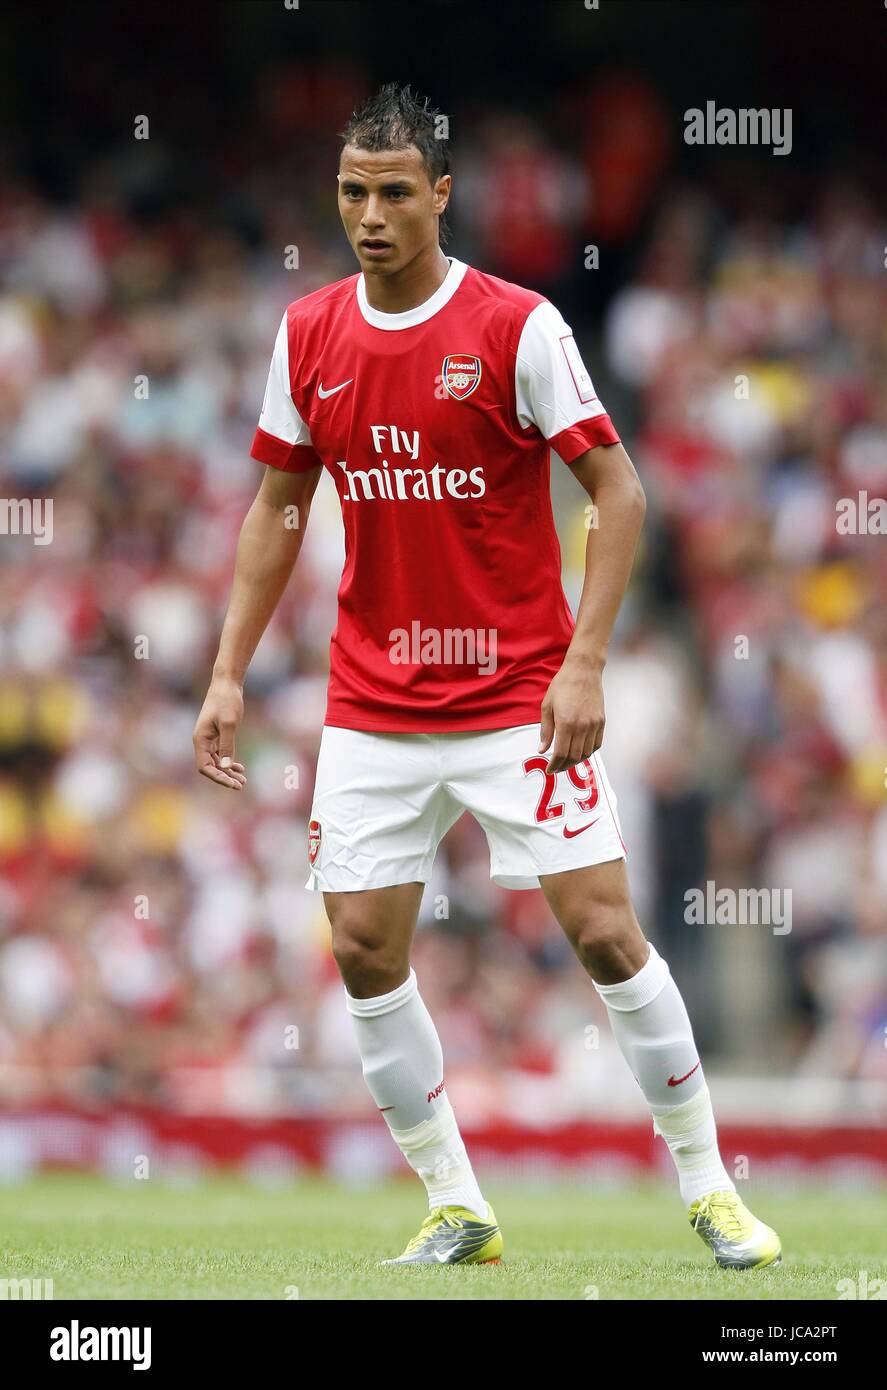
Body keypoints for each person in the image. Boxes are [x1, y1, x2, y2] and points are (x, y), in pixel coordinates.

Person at [193, 82, 781, 1271]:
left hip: (518, 692)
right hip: (371, 696)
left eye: (394, 192)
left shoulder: (515, 326)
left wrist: (585, 665)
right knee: (361, 944)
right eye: (352, 191)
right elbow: (277, 505)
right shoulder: (307, 333)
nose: (369, 213)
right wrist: (224, 671)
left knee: (608, 934)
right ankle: (456, 1201)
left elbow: (619, 494)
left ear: (441, 196)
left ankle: (711, 1186)